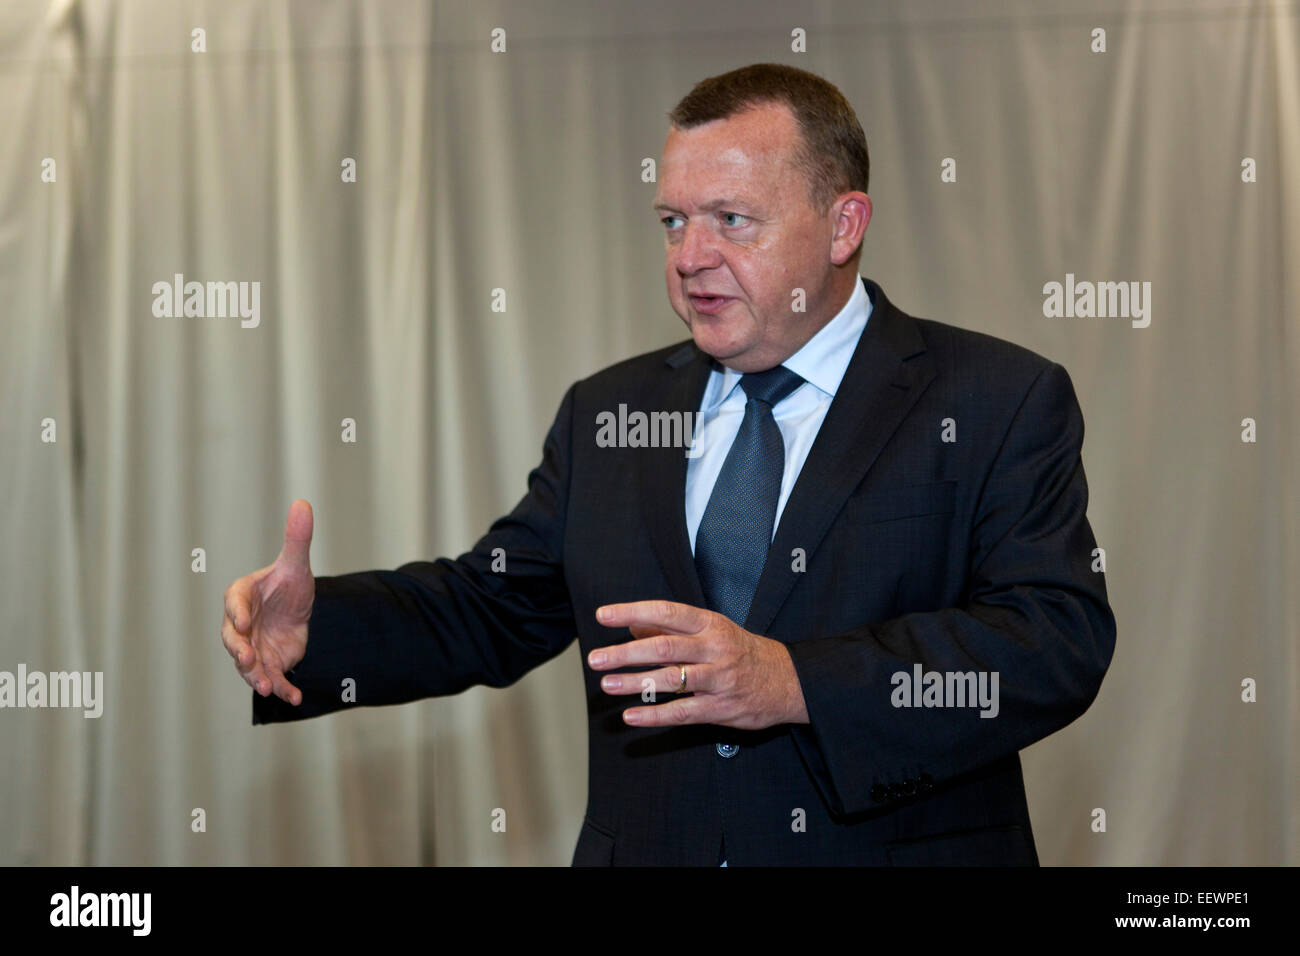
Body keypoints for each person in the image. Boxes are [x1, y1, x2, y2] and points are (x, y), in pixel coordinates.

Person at [221, 63, 1116, 866]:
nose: (691, 258)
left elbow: (1052, 642)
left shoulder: (994, 399)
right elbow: (492, 605)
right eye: (673, 221)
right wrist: (320, 630)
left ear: (843, 224)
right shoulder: (613, 411)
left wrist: (794, 682)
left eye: (733, 220)